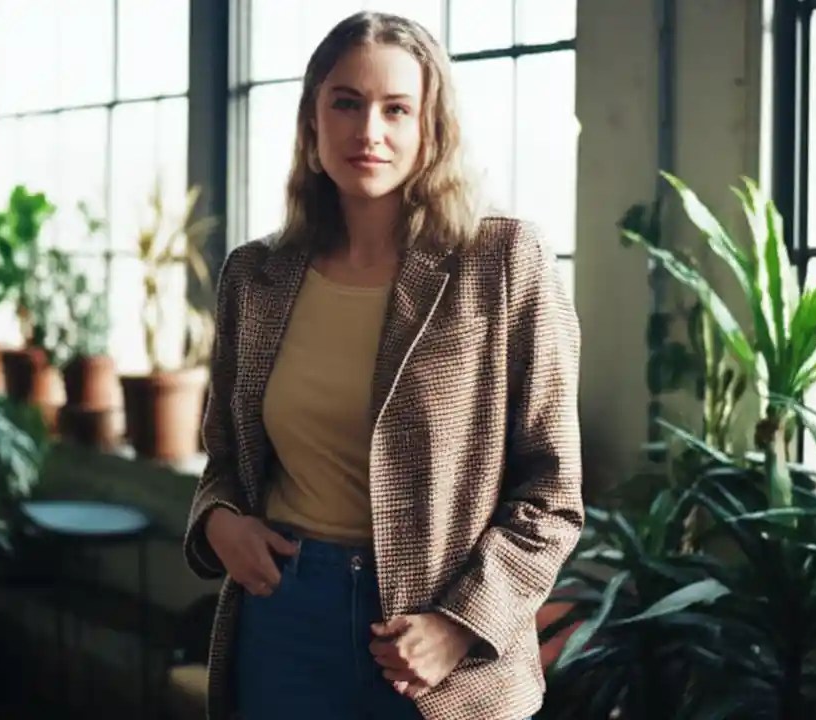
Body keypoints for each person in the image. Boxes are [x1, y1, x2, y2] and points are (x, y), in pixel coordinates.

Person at [182, 10, 583, 720]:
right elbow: (224, 463)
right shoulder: (255, 276)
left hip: (435, 649)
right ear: (312, 124)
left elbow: (551, 495)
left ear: (432, 129)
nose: (370, 131)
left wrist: (460, 624)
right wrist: (218, 522)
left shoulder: (501, 261)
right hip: (283, 617)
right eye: (346, 103)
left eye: (398, 109)